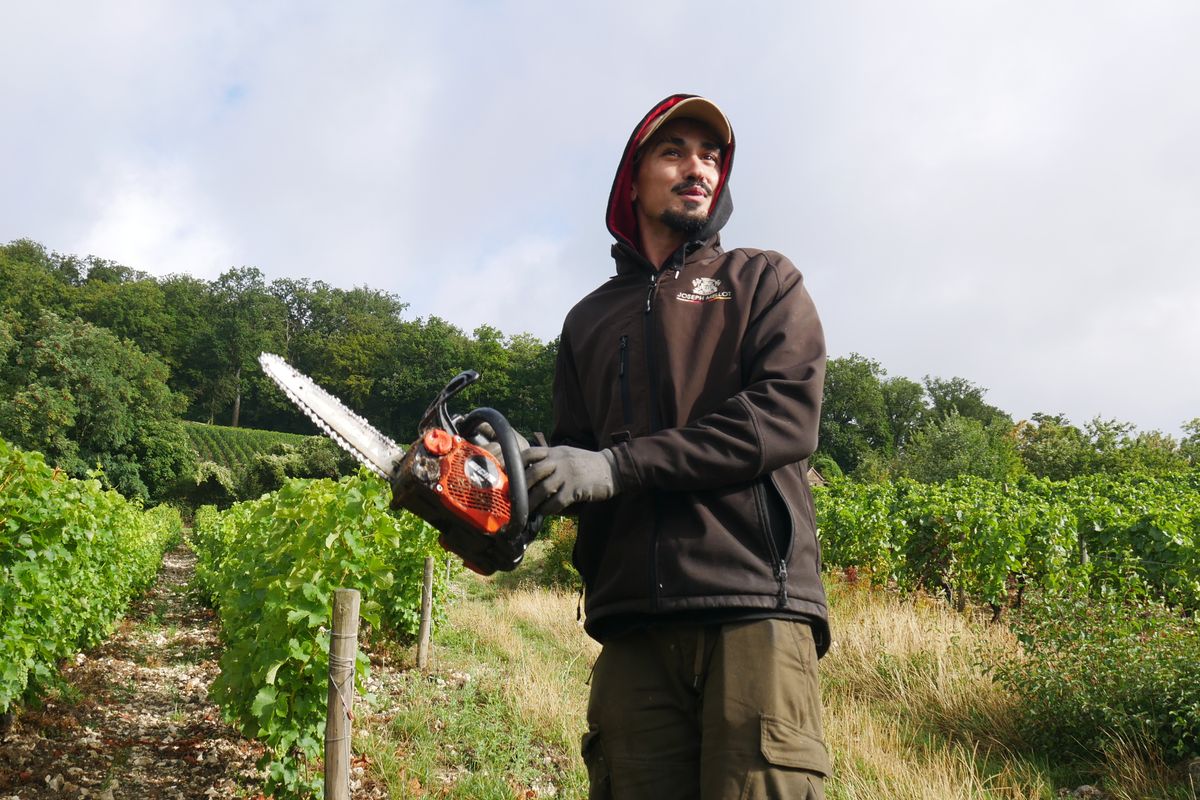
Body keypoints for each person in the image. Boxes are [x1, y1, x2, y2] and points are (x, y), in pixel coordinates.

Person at [521, 94, 830, 800]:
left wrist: (615, 466)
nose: (699, 169)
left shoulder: (760, 281)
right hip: (631, 623)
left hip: (753, 604)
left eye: (711, 157)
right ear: (631, 179)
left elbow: (783, 417)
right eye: (675, 152)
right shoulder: (588, 319)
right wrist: (515, 483)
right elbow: (578, 454)